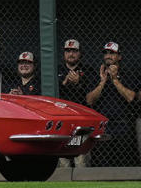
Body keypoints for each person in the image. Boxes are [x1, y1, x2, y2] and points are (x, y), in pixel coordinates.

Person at [87, 42, 139, 167]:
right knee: (101, 161)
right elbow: (89, 100)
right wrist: (102, 82)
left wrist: (115, 80)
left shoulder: (128, 74)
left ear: (119, 57)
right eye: (106, 53)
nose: (108, 56)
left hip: (123, 124)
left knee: (125, 161)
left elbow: (131, 97)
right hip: (103, 125)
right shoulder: (96, 75)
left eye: (112, 53)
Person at [57, 39, 90, 168]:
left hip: (80, 121)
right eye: (68, 51)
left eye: (74, 51)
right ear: (64, 53)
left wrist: (79, 83)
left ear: (80, 53)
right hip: (61, 120)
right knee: (63, 162)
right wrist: (64, 82)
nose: (71, 54)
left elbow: (90, 97)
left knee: (80, 160)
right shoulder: (56, 70)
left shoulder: (87, 70)